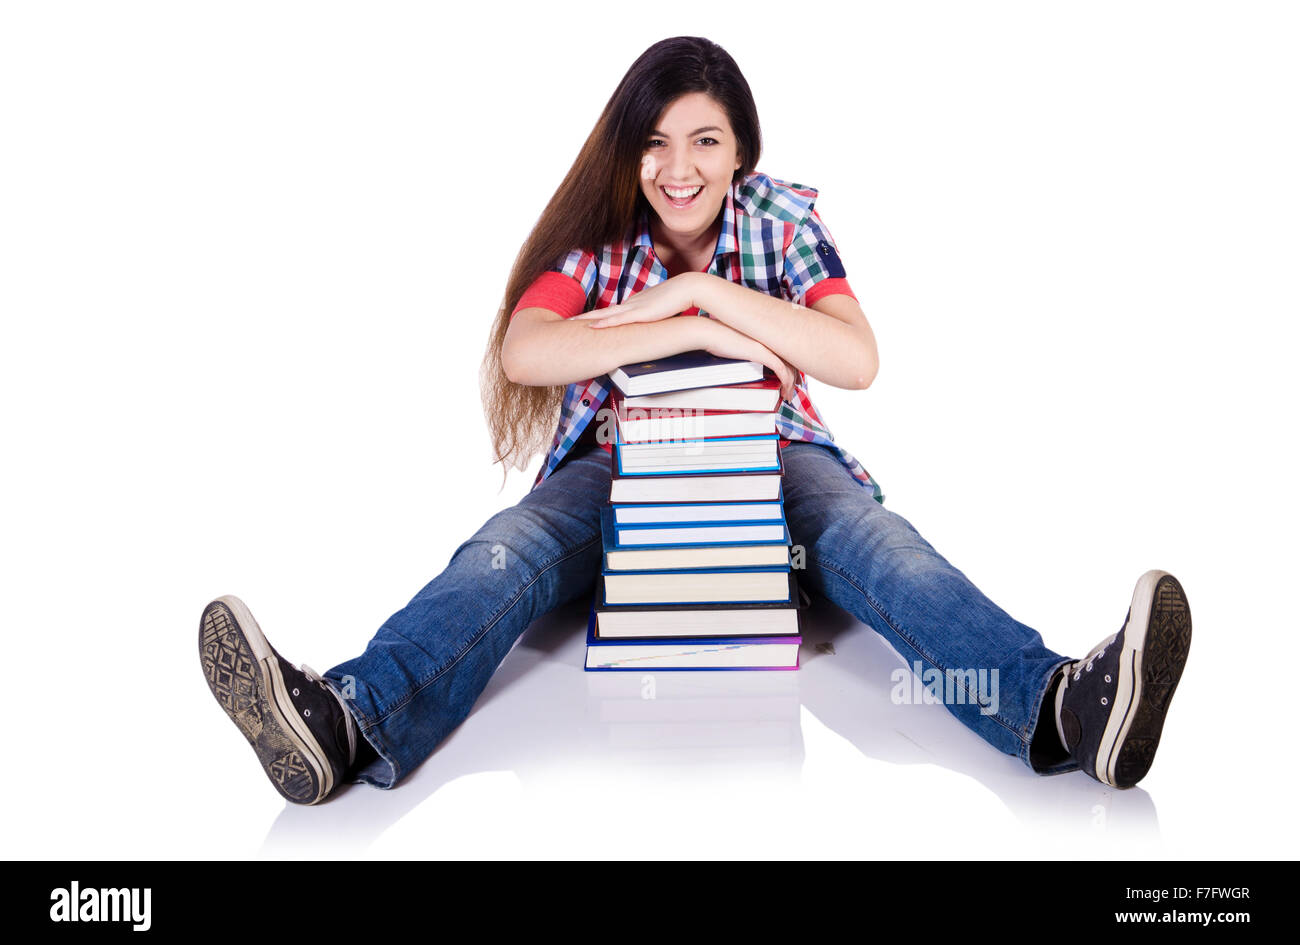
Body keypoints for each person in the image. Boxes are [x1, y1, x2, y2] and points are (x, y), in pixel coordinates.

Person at [198, 36, 1192, 806]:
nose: (679, 167)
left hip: (775, 454)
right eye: (657, 142)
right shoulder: (596, 235)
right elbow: (527, 351)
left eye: (704, 140)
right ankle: (344, 724)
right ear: (631, 151)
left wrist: (706, 297)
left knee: (875, 543)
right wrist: (668, 306)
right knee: (505, 552)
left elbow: (853, 357)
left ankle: (1062, 707)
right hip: (616, 462)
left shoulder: (783, 222)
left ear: (739, 151)